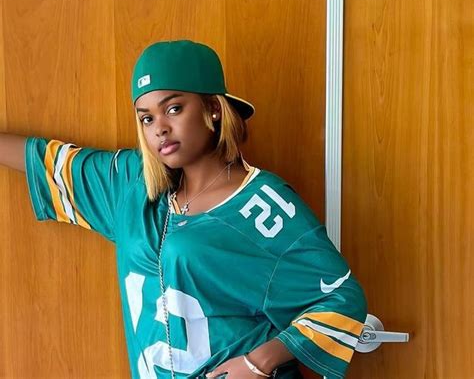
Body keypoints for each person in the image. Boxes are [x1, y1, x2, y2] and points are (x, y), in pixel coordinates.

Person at [0, 39, 367, 379]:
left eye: (173, 109)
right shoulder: (131, 186)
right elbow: (44, 160)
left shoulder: (261, 202)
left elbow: (342, 300)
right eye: (146, 118)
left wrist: (260, 361)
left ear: (213, 109)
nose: (160, 128)